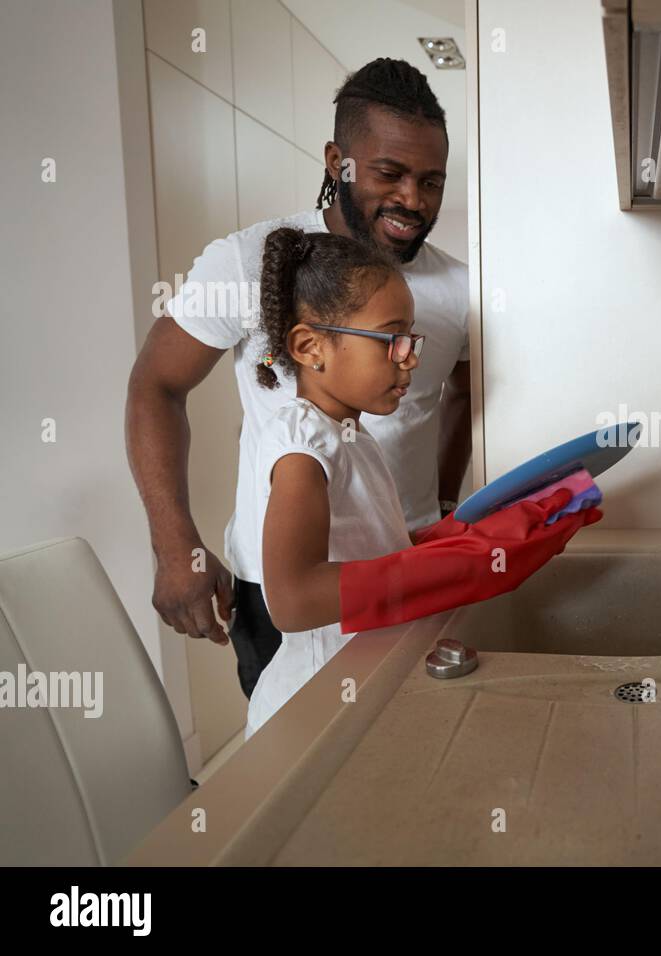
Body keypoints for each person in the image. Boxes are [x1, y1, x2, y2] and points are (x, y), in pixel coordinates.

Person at [125, 58, 471, 699]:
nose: (413, 201)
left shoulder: (459, 287)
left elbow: (460, 401)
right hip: (284, 585)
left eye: (432, 181)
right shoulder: (248, 262)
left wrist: (443, 514)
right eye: (390, 174)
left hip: (407, 562)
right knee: (295, 762)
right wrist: (178, 549)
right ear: (337, 160)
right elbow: (156, 387)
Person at [244, 226, 599, 737]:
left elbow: (368, 550)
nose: (410, 357)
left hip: (357, 683)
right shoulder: (302, 445)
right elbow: (293, 600)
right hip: (312, 710)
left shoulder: (348, 435)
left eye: (410, 338)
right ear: (310, 346)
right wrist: (463, 567)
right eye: (391, 340)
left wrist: (464, 536)